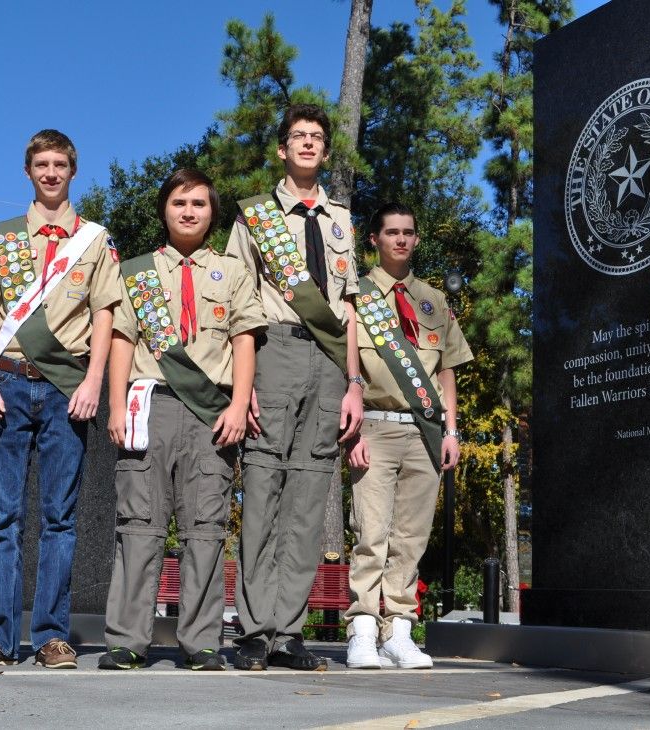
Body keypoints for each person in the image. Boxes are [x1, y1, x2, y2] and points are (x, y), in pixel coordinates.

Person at [0, 129, 120, 669]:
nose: (50, 173)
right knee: (1, 517)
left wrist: (94, 381)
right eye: (41, 165)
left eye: (60, 165)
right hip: (6, 379)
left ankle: (51, 635)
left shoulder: (94, 240)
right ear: (28, 171)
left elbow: (104, 315)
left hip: (66, 386)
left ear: (73, 171)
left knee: (60, 518)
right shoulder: (0, 238)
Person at [99, 169, 266, 671]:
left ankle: (202, 643)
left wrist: (238, 404)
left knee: (206, 528)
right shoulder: (136, 273)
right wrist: (114, 405)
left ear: (212, 212)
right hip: (149, 404)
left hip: (211, 413)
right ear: (164, 210)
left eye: (198, 203)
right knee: (139, 526)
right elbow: (121, 341)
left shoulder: (234, 271)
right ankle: (128, 639)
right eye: (179, 202)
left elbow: (244, 340)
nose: (189, 211)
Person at [224, 104, 365, 671]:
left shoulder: (341, 220)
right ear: (282, 150)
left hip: (329, 363)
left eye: (317, 138)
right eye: (298, 137)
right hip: (273, 350)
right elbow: (238, 304)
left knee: (309, 497)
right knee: (262, 491)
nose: (308, 144)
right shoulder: (253, 218)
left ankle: (288, 631)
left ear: (326, 152)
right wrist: (245, 380)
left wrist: (354, 383)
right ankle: (254, 629)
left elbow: (350, 307)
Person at [344, 202, 472, 669]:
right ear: (373, 240)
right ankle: (361, 630)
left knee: (412, 537)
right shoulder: (355, 296)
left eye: (408, 232)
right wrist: (351, 431)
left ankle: (398, 632)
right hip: (373, 426)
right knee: (370, 531)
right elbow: (346, 369)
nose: (400, 239)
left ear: (417, 239)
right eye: (391, 232)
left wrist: (451, 430)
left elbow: (448, 374)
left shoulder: (434, 301)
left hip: (425, 432)